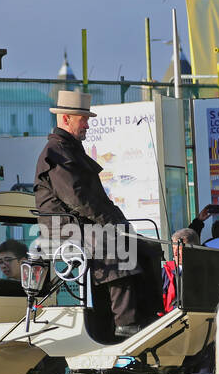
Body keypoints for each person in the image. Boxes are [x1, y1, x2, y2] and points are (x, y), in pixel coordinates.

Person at [34, 89, 158, 338]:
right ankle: (125, 322)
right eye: (84, 119)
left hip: (85, 224)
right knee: (114, 245)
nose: (88, 125)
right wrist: (114, 224)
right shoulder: (56, 152)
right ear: (66, 118)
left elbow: (94, 201)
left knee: (148, 248)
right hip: (64, 227)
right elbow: (79, 200)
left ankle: (148, 316)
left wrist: (122, 223)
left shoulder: (70, 149)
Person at [159, 228, 200, 316]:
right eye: (173, 248)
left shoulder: (206, 272)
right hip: (169, 319)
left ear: (193, 249)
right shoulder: (164, 272)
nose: (175, 253)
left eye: (179, 249)